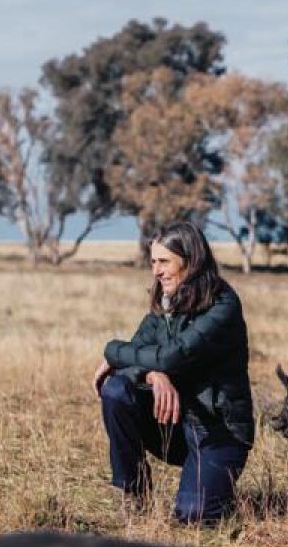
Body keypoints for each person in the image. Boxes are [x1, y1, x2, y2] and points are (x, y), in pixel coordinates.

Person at [92, 222, 254, 524]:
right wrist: (153, 375)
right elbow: (141, 353)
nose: (156, 271)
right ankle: (133, 493)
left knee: (194, 516)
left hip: (216, 431)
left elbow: (171, 355)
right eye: (153, 262)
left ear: (190, 262)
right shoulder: (165, 303)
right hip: (174, 423)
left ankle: (216, 488)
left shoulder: (223, 305)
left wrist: (111, 349)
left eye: (164, 262)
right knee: (116, 389)